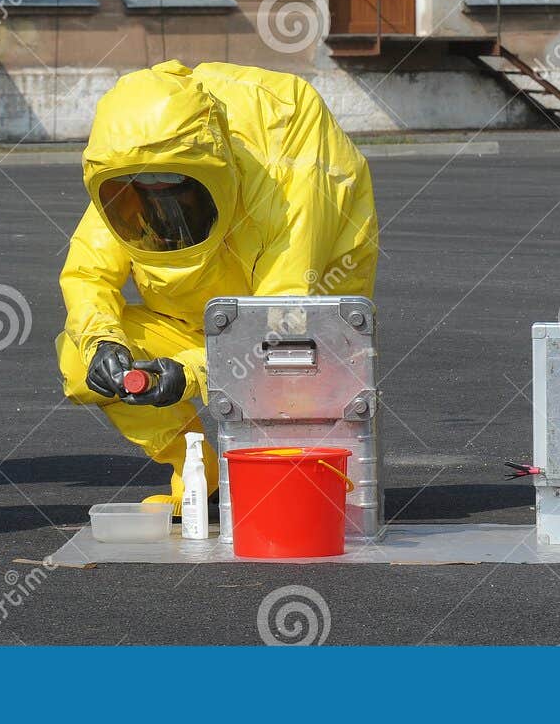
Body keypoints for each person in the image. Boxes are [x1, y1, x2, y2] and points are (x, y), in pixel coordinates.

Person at [56, 61, 378, 507]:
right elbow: (89, 273)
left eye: (175, 193)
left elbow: (284, 319)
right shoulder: (130, 158)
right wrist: (103, 343)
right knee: (81, 358)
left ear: (218, 168)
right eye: (142, 194)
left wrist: (191, 372)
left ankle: (305, 482)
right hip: (195, 319)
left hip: (299, 324)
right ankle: (201, 480)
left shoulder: (291, 168)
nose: (161, 213)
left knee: (292, 474)